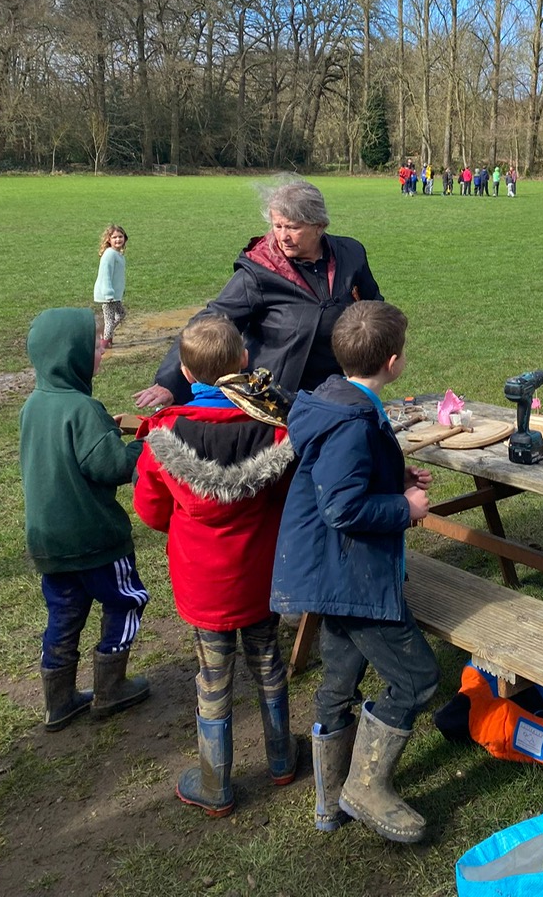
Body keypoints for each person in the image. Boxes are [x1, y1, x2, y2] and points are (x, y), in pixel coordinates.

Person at [271, 300, 439, 844]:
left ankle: (328, 802)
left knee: (339, 679)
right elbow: (342, 507)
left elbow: (341, 477)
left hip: (328, 572)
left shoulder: (334, 399)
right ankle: (364, 789)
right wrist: (405, 508)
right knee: (416, 679)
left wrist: (393, 476)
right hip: (352, 576)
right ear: (393, 361)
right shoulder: (350, 420)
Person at [134, 315, 298, 817]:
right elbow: (288, 498)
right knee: (268, 660)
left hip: (203, 579)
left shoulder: (164, 434)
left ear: (185, 372)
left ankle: (214, 783)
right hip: (259, 572)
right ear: (245, 361)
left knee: (212, 676)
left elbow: (151, 508)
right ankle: (281, 759)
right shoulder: (276, 431)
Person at [134, 179, 382, 410]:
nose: (283, 236)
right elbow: (210, 321)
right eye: (277, 226)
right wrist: (170, 381)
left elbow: (374, 312)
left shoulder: (351, 253)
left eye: (293, 227)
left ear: (320, 226)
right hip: (280, 400)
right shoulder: (260, 269)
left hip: (343, 392)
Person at [20, 308, 150, 732]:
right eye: (93, 344)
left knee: (63, 615)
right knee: (126, 600)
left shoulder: (33, 406)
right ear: (70, 354)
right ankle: (110, 689)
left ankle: (58, 703)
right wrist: (143, 448)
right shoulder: (83, 408)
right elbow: (109, 466)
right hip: (94, 538)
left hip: (49, 542)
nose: (102, 347)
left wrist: (103, 434)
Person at [94, 224, 128, 348]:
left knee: (121, 314)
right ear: (109, 239)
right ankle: (105, 342)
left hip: (115, 295)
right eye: (114, 237)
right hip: (107, 295)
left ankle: (106, 335)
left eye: (120, 237)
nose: (118, 239)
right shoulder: (109, 255)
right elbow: (105, 275)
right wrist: (108, 293)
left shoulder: (118, 254)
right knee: (110, 319)